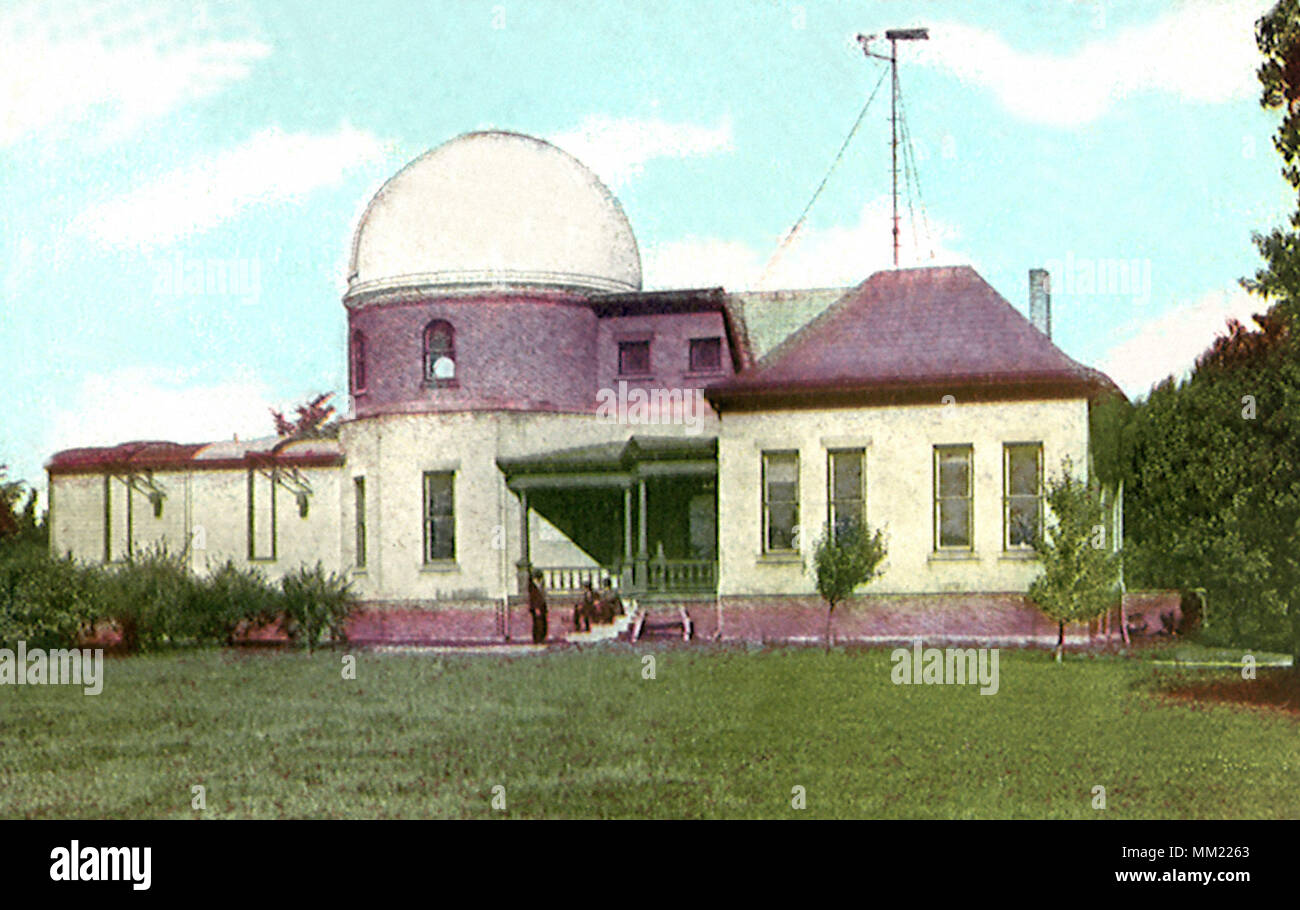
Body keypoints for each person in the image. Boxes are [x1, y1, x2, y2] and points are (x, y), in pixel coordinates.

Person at [527, 570, 548, 644]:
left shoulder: (541, 585)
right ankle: (538, 639)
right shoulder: (533, 586)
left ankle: (541, 638)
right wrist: (536, 608)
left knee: (542, 623)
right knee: (538, 623)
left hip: (542, 607)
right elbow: (534, 598)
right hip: (537, 607)